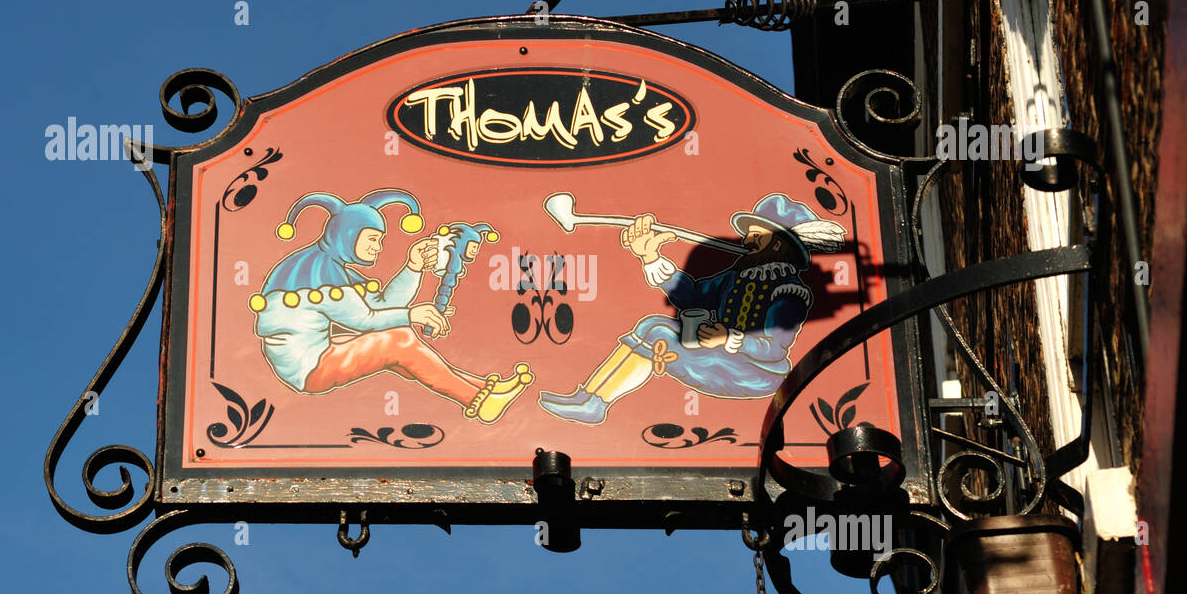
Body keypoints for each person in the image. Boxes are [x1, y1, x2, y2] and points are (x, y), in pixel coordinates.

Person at [538, 193, 845, 424]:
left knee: (658, 331)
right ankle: (589, 397)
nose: (747, 239)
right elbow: (693, 297)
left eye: (757, 234)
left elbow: (773, 349)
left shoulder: (790, 293)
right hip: (724, 359)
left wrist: (729, 338)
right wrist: (651, 257)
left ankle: (595, 405)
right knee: (651, 325)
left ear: (779, 244)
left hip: (756, 374)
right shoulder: (736, 276)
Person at [250, 189, 531, 423]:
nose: (379, 247)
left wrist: (413, 267)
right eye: (372, 238)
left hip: (317, 353)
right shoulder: (321, 276)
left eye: (380, 240)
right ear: (348, 234)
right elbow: (366, 320)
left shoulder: (331, 268)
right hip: (308, 368)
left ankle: (483, 388)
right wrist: (412, 314)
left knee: (401, 345)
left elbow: (383, 307)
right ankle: (477, 400)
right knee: (397, 342)